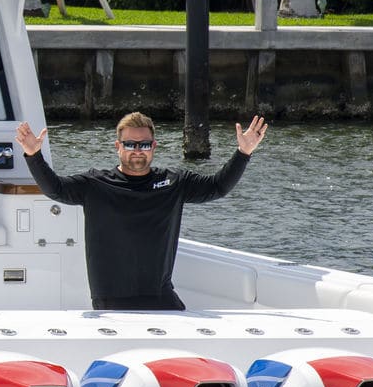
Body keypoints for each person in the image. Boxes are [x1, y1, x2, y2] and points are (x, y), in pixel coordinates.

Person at [14, 111, 268, 312]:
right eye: (130, 144)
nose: (137, 149)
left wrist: (243, 153)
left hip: (160, 297)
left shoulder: (173, 182)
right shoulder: (95, 184)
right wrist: (33, 155)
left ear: (154, 146)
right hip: (111, 301)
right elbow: (56, 189)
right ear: (118, 146)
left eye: (144, 144)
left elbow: (217, 187)